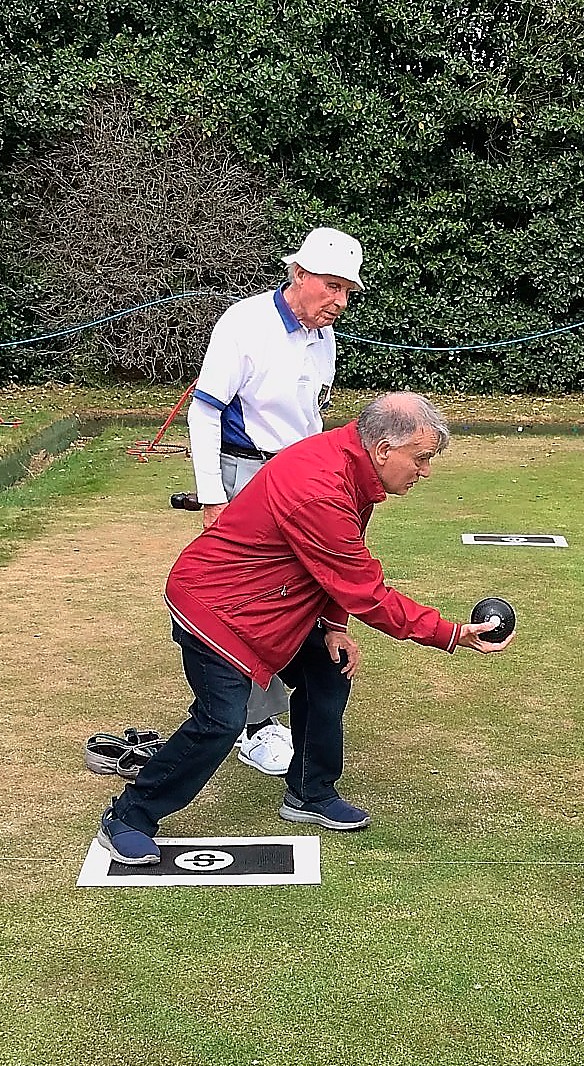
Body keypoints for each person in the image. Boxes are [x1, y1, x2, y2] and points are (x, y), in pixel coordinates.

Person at [98, 392, 515, 866]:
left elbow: (335, 562)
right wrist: (451, 633)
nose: (426, 471)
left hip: (273, 601)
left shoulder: (352, 467)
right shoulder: (321, 486)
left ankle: (309, 792)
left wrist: (334, 625)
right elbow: (366, 592)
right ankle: (129, 816)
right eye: (421, 458)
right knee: (222, 720)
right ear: (383, 450)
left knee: (328, 669)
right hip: (214, 606)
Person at [187, 226, 365, 777]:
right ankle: (255, 725)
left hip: (299, 476)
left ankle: (284, 701)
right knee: (248, 598)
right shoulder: (245, 324)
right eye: (331, 286)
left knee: (298, 587)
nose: (339, 301)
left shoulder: (323, 336)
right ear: (299, 275)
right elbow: (204, 411)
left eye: (347, 291)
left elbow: (311, 419)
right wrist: (213, 496)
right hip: (245, 473)